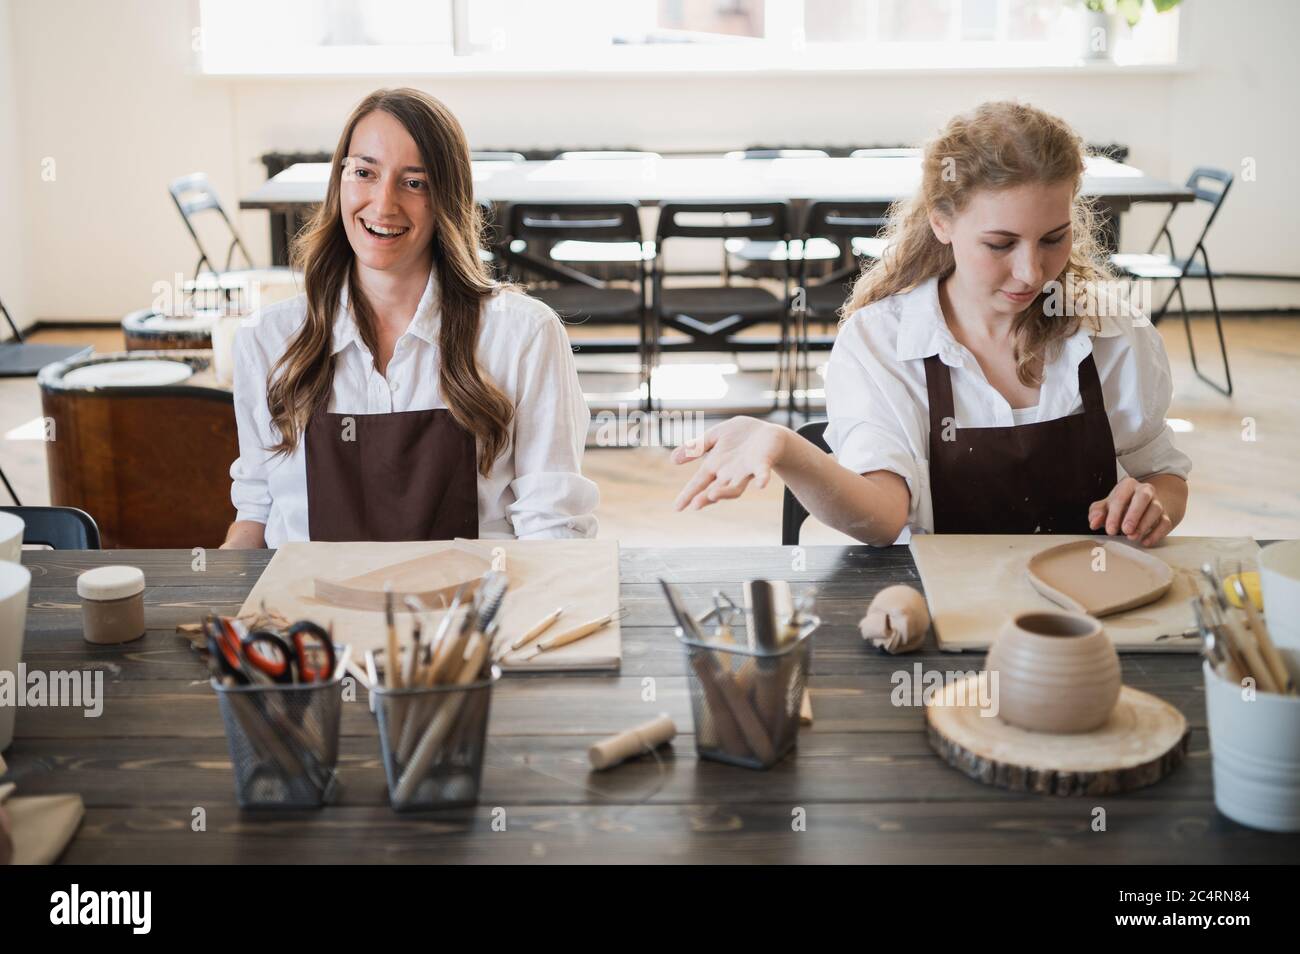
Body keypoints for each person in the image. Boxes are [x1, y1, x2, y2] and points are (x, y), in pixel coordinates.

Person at [673, 101, 1189, 548]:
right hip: (939, 614)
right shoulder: (881, 342)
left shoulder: (1116, 332)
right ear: (942, 221)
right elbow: (882, 518)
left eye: (1053, 238)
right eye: (1000, 244)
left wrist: (1153, 501)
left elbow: (1161, 472)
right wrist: (786, 446)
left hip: (1086, 614)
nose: (1031, 272)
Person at [222, 88, 596, 547]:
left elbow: (551, 526)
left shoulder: (524, 335)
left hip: (469, 611)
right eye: (364, 172)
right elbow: (257, 507)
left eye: (414, 182)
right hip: (308, 613)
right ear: (339, 181)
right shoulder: (267, 340)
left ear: (447, 198)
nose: (383, 205)